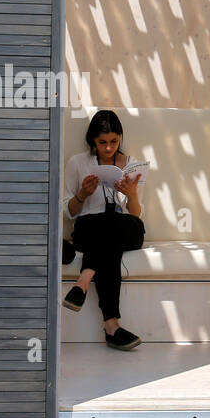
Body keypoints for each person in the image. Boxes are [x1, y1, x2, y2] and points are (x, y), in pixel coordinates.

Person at [62, 110, 146, 351]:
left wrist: (131, 195)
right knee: (105, 233)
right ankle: (112, 327)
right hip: (89, 229)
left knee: (117, 223)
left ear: (120, 138)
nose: (108, 148)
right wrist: (82, 194)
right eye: (102, 143)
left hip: (125, 228)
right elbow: (69, 212)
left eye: (113, 142)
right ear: (92, 141)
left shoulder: (132, 165)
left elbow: (136, 214)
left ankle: (83, 280)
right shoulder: (77, 163)